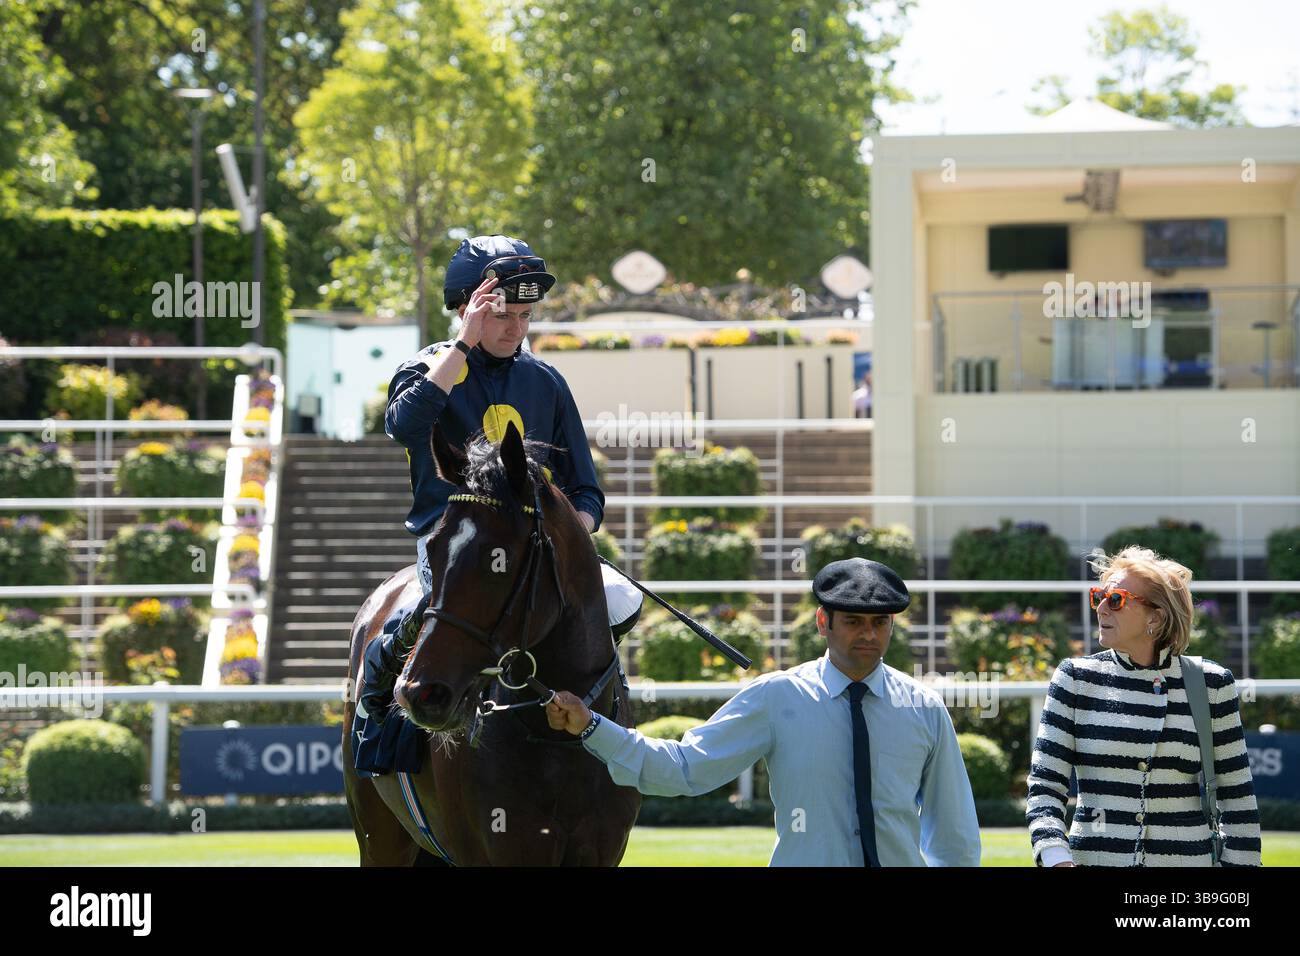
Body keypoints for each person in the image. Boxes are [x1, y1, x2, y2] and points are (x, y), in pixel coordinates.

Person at [546, 557, 983, 866]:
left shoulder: (924, 708)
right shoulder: (776, 698)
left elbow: (954, 834)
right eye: (853, 621)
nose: (868, 634)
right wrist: (592, 727)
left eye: (880, 622)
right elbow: (686, 768)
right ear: (822, 622)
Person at [365, 235, 638, 703]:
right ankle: (378, 728)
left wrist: (568, 532)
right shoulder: (426, 367)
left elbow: (586, 492)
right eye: (500, 315)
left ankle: (611, 707)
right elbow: (404, 426)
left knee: (617, 603)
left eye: (524, 316)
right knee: (404, 628)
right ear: (466, 311)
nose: (515, 330)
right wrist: (464, 344)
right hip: (454, 546)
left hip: (533, 546)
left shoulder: (546, 380)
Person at [1026, 546, 1262, 867]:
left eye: (1117, 599)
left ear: (1156, 615)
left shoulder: (1213, 684)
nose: (1102, 608)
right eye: (1099, 596)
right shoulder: (1075, 678)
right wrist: (1055, 857)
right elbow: (1045, 784)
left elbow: (1237, 799)